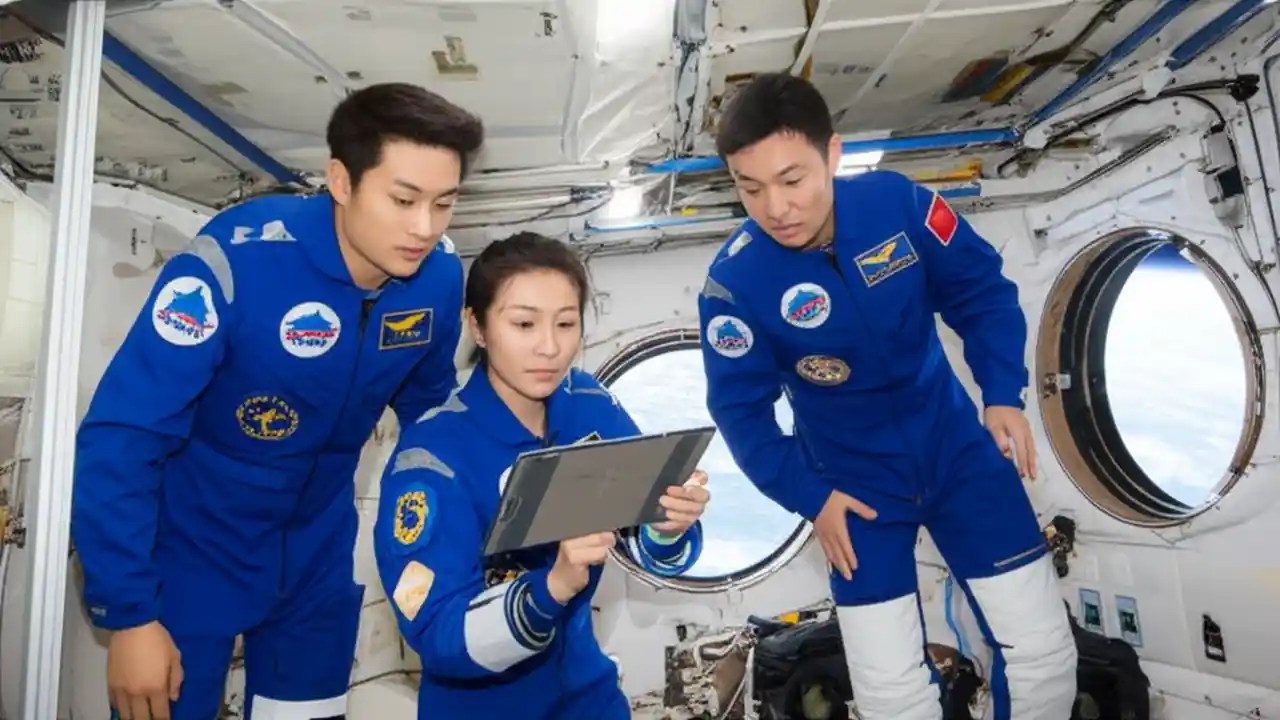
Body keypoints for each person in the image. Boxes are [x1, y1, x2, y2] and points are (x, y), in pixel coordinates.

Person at [71, 83, 484, 720]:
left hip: (318, 552)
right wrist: (128, 616)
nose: (424, 227)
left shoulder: (436, 280)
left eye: (443, 203)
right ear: (341, 182)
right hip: (194, 551)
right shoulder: (236, 262)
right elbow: (122, 436)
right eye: (402, 200)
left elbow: (431, 413)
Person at [696, 72, 1077, 720]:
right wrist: (810, 497)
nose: (775, 207)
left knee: (1045, 651)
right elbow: (740, 412)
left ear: (833, 154)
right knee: (892, 697)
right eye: (749, 187)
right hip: (853, 492)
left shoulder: (898, 206)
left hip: (961, 456)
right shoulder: (733, 286)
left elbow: (980, 292)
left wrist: (1002, 392)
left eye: (793, 179)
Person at [372, 231, 711, 719]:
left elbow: (655, 552)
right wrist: (551, 588)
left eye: (566, 323)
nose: (550, 347)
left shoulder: (590, 407)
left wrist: (666, 526)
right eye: (525, 324)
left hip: (589, 696)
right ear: (478, 326)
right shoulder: (432, 456)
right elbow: (436, 632)